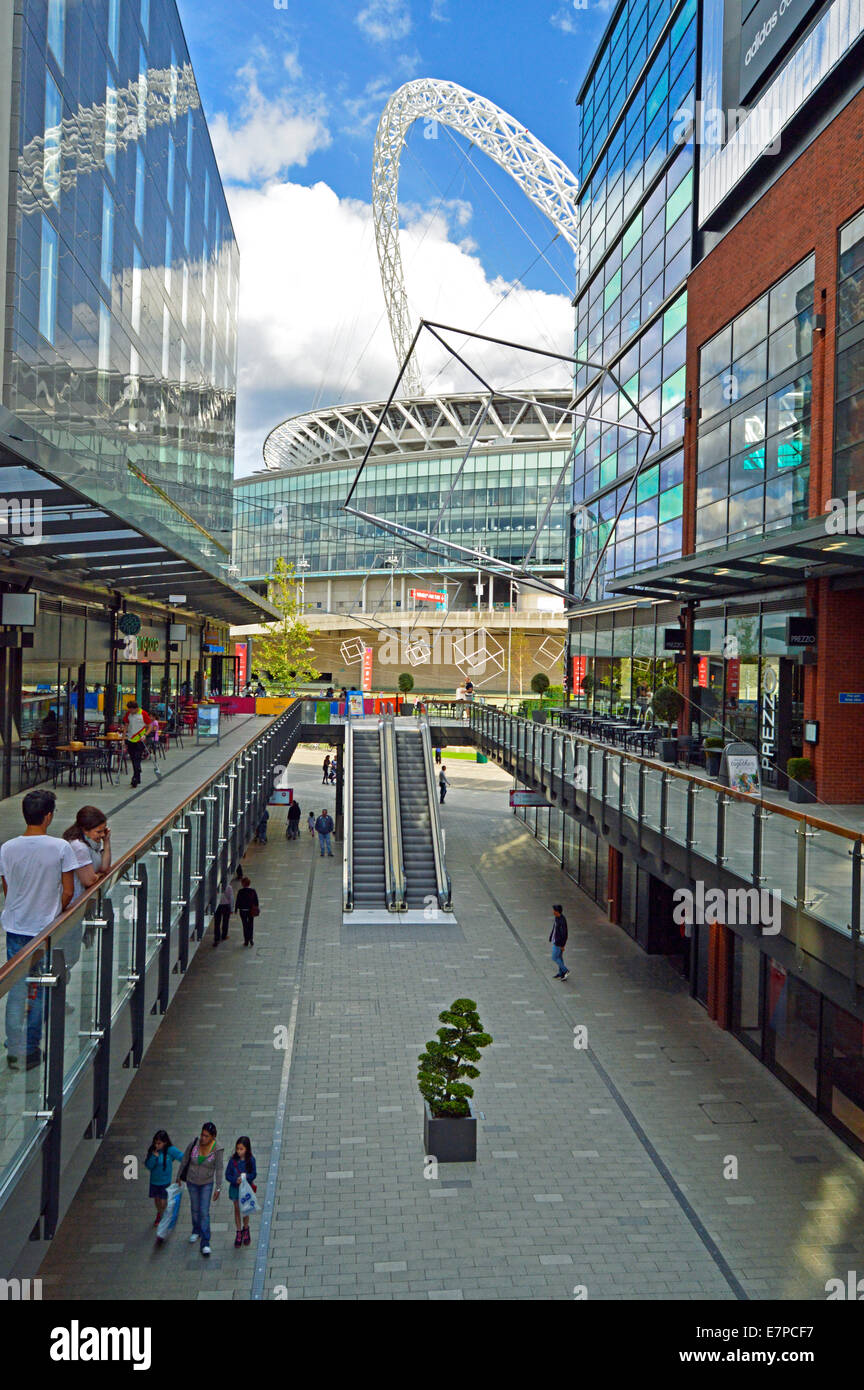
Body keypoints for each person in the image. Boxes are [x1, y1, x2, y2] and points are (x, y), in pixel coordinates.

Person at [1, 789, 77, 1071]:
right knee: (39, 989)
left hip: (15, 926)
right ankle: (30, 1047)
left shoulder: (7, 848)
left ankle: (14, 1047)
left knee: (17, 988)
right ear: (48, 816)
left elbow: (8, 888)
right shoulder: (60, 848)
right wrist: (53, 911)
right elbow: (68, 892)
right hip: (44, 929)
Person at [62, 807, 112, 975]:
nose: (102, 835)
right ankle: (55, 998)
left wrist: (107, 842)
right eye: (98, 832)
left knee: (71, 954)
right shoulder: (79, 847)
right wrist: (95, 876)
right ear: (85, 829)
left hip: (81, 906)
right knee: (67, 954)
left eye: (104, 831)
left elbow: (104, 868)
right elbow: (89, 880)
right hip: (72, 905)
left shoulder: (93, 844)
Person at [178, 1122, 223, 1257]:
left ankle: (205, 1241)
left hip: (206, 1183)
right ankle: (196, 1229)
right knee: (195, 1208)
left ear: (213, 1137)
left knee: (204, 1211)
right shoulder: (194, 1144)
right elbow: (185, 1159)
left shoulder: (217, 1149)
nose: (203, 1138)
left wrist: (218, 1187)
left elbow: (219, 1168)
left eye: (206, 1136)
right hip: (192, 1181)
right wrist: (178, 1176)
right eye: (202, 1135)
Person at [145, 1130, 183, 1232]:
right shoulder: (153, 1151)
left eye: (159, 1143)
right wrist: (154, 1157)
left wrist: (180, 1175)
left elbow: (182, 1158)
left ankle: (165, 1215)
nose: (157, 1145)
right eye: (155, 1143)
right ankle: (160, 1214)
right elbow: (148, 1166)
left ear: (165, 1142)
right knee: (157, 1201)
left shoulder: (170, 1150)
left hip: (165, 1182)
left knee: (163, 1202)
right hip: (154, 1181)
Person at [226, 1135, 258, 1248]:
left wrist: (245, 1178)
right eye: (237, 1148)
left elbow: (254, 1174)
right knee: (236, 1208)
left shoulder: (251, 1160)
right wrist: (235, 1180)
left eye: (241, 1149)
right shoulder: (232, 1161)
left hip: (245, 1189)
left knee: (246, 1209)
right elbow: (227, 1175)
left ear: (247, 1149)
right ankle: (238, 1231)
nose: (239, 1151)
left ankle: (246, 1228)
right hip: (235, 1188)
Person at [122, 699, 155, 788]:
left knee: (137, 757)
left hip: (140, 740)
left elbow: (150, 726)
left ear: (135, 708)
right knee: (133, 759)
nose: (130, 712)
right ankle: (137, 774)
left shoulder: (143, 714)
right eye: (129, 710)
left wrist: (145, 735)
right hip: (130, 739)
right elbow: (126, 726)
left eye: (131, 710)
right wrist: (123, 738)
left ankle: (135, 778)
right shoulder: (128, 714)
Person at [235, 877, 259, 946]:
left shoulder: (240, 891)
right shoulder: (252, 891)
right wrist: (256, 908)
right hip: (250, 911)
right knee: (251, 924)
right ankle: (251, 938)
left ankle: (246, 940)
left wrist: (236, 909)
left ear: (242, 884)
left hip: (243, 911)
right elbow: (256, 901)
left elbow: (238, 901)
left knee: (245, 925)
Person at [550, 903, 569, 980]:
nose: (553, 912)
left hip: (558, 943)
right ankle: (561, 973)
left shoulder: (562, 921)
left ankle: (565, 970)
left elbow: (564, 934)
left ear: (557, 911)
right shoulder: (557, 918)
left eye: (554, 910)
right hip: (556, 940)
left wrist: (562, 945)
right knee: (559, 958)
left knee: (554, 957)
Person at [213, 880, 234, 947]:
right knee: (225, 921)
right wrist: (231, 908)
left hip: (217, 906)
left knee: (217, 923)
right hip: (226, 906)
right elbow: (231, 898)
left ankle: (217, 938)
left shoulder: (215, 886)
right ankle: (224, 935)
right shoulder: (229, 887)